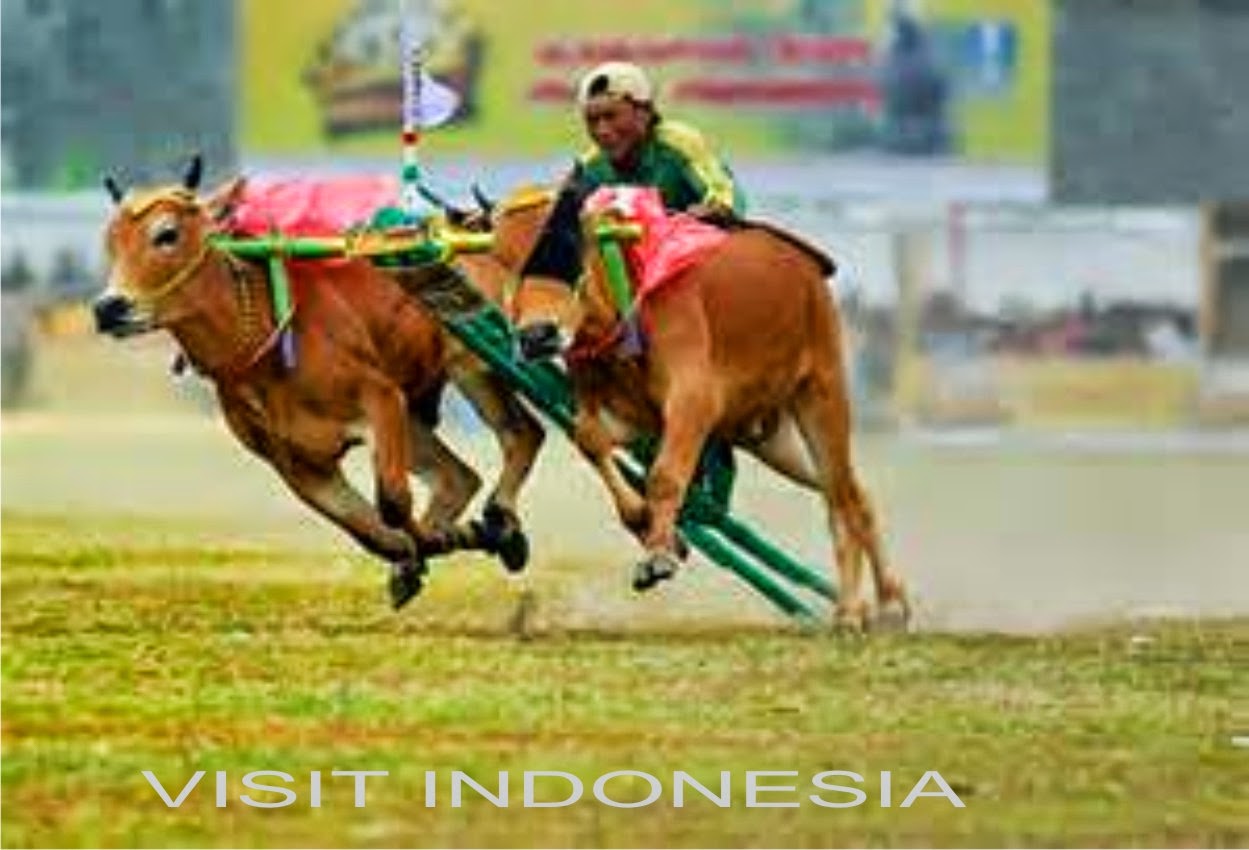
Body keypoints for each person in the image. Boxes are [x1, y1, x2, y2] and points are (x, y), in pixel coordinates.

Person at [571, 61, 746, 223]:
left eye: (611, 116)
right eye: (592, 120)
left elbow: (723, 192)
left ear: (644, 113)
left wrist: (716, 209)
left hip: (697, 245)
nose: (602, 131)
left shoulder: (679, 142)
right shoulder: (589, 166)